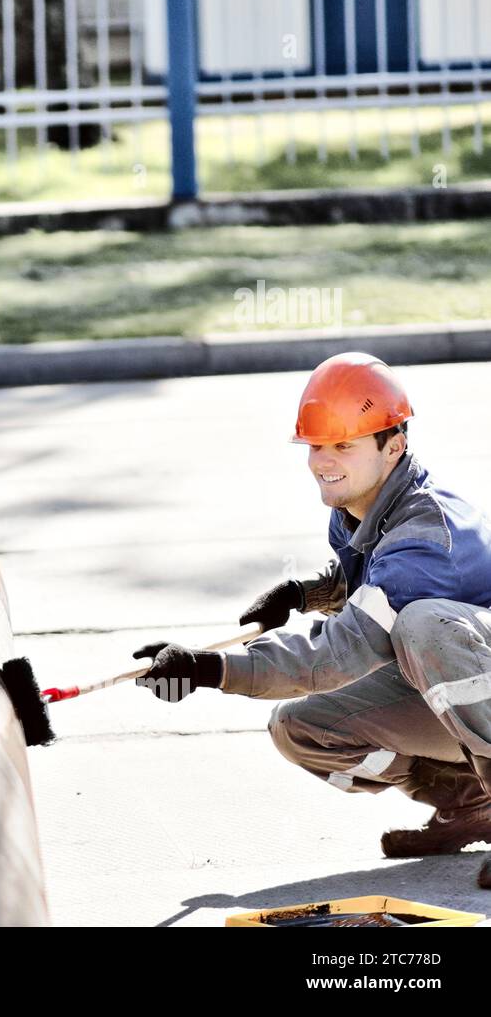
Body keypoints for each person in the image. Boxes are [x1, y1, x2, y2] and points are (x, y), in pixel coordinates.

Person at [133, 352, 491, 890]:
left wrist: (212, 669)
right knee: (301, 728)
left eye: (343, 445)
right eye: (317, 445)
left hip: (467, 669)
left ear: (392, 446)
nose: (323, 460)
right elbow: (370, 584)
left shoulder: (426, 538)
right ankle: (470, 803)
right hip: (460, 686)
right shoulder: (362, 504)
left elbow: (337, 657)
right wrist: (305, 594)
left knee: (421, 625)